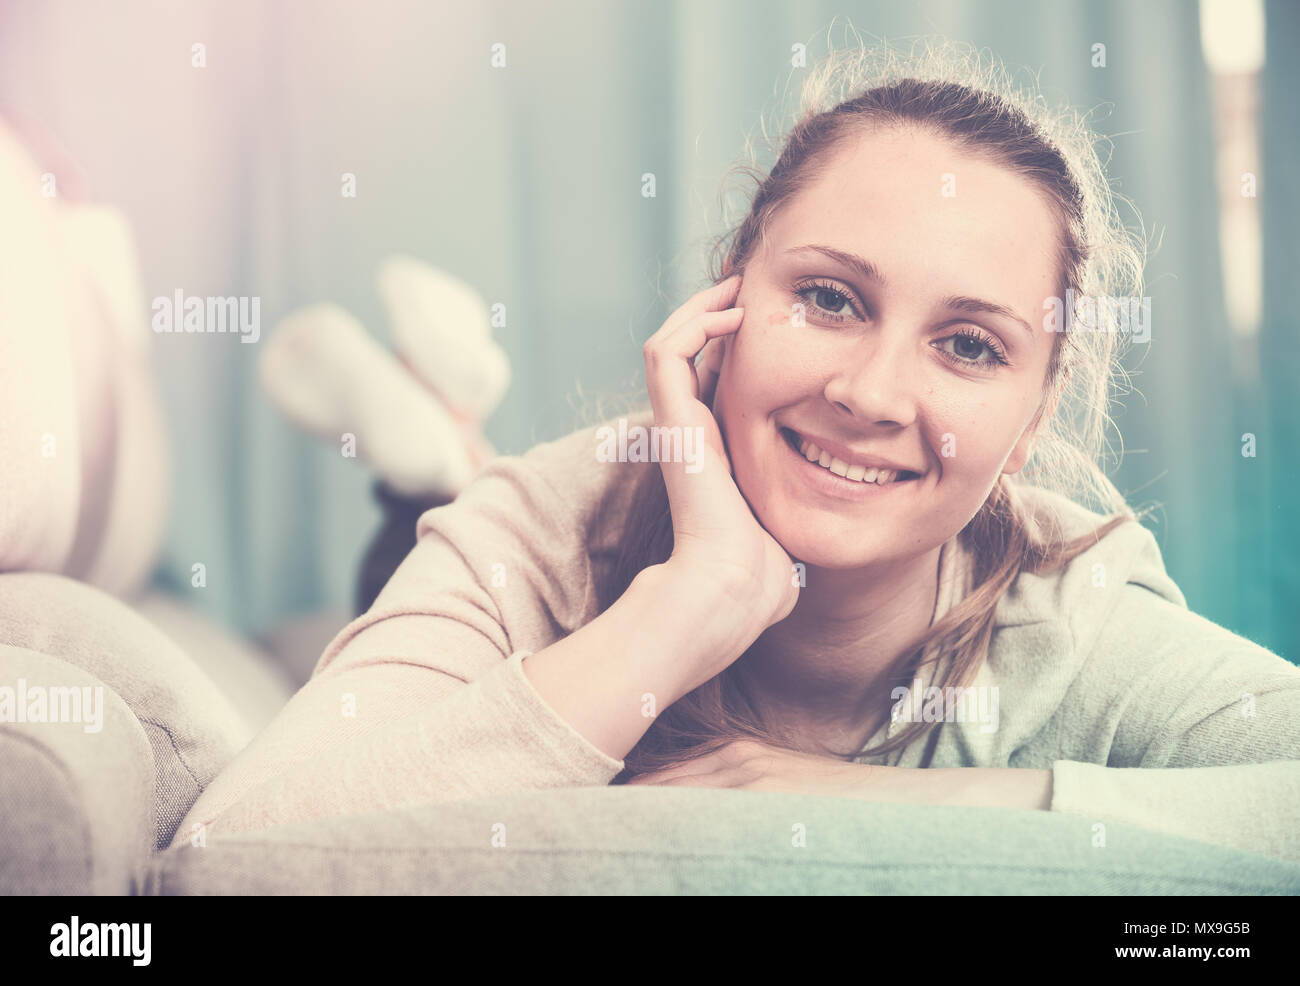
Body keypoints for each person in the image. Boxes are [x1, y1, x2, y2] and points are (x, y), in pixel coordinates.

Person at [174, 41, 1300, 863]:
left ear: (1028, 426)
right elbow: (220, 861)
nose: (868, 392)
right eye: (826, 296)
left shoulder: (1072, 614)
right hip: (535, 561)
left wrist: (880, 798)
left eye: (966, 345)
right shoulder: (538, 531)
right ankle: (426, 473)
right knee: (383, 572)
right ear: (725, 302)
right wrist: (690, 602)